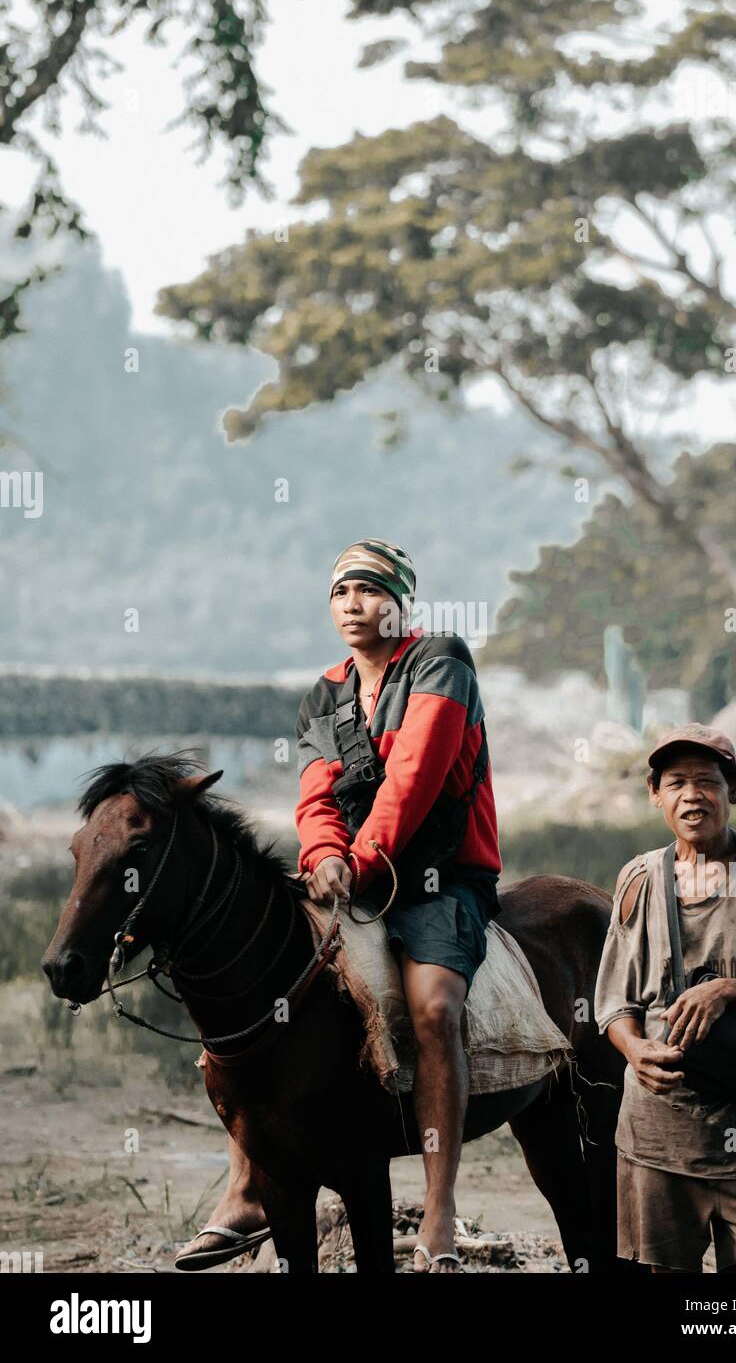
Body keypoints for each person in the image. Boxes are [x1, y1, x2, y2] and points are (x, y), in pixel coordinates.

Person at [177, 538, 501, 1273]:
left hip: (439, 877)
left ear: (401, 602)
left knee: (434, 1008)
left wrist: (356, 861)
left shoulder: (441, 662)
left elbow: (414, 779)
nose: (353, 605)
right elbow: (317, 792)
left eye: (370, 591)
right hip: (345, 875)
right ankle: (248, 1188)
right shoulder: (323, 693)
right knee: (253, 1000)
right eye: (340, 594)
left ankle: (440, 1205)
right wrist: (324, 856)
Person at [594, 724, 736, 1274]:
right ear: (655, 793)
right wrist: (634, 1052)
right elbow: (613, 1003)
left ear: (734, 790)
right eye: (676, 783)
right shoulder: (639, 878)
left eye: (707, 781)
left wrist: (723, 989)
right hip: (656, 1140)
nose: (691, 795)